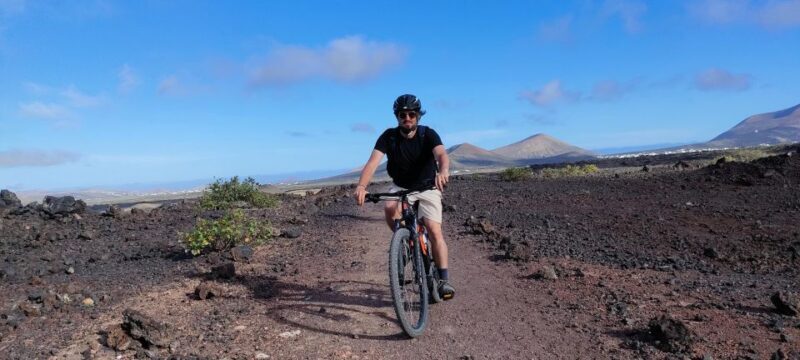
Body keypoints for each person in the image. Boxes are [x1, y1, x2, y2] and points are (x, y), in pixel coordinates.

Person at [354, 94, 455, 300]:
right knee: (390, 208)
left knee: (434, 230)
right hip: (401, 186)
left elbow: (442, 155)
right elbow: (373, 162)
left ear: (418, 115)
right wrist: (362, 186)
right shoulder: (388, 137)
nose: (407, 118)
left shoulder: (428, 134)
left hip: (428, 187)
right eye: (402, 114)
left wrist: (443, 171)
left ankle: (443, 280)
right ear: (397, 117)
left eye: (411, 114)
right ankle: (406, 242)